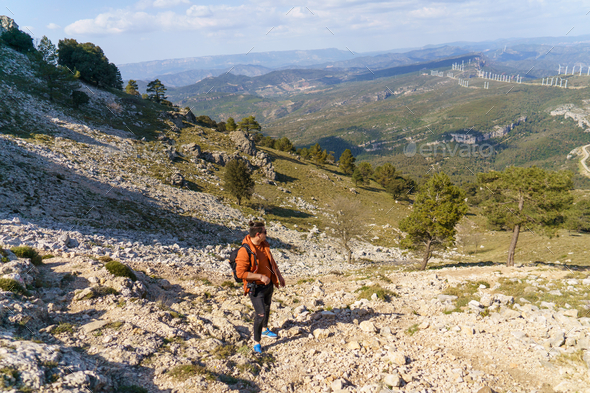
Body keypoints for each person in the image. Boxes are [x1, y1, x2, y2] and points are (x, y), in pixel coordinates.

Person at [235, 221, 286, 353]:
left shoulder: (264, 246)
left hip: (268, 284)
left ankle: (264, 330)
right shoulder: (244, 250)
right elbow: (240, 273)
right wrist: (260, 277)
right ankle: (256, 342)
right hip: (256, 287)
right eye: (265, 232)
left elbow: (272, 263)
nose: (266, 234)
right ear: (258, 234)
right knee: (260, 313)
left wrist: (279, 277)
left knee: (268, 306)